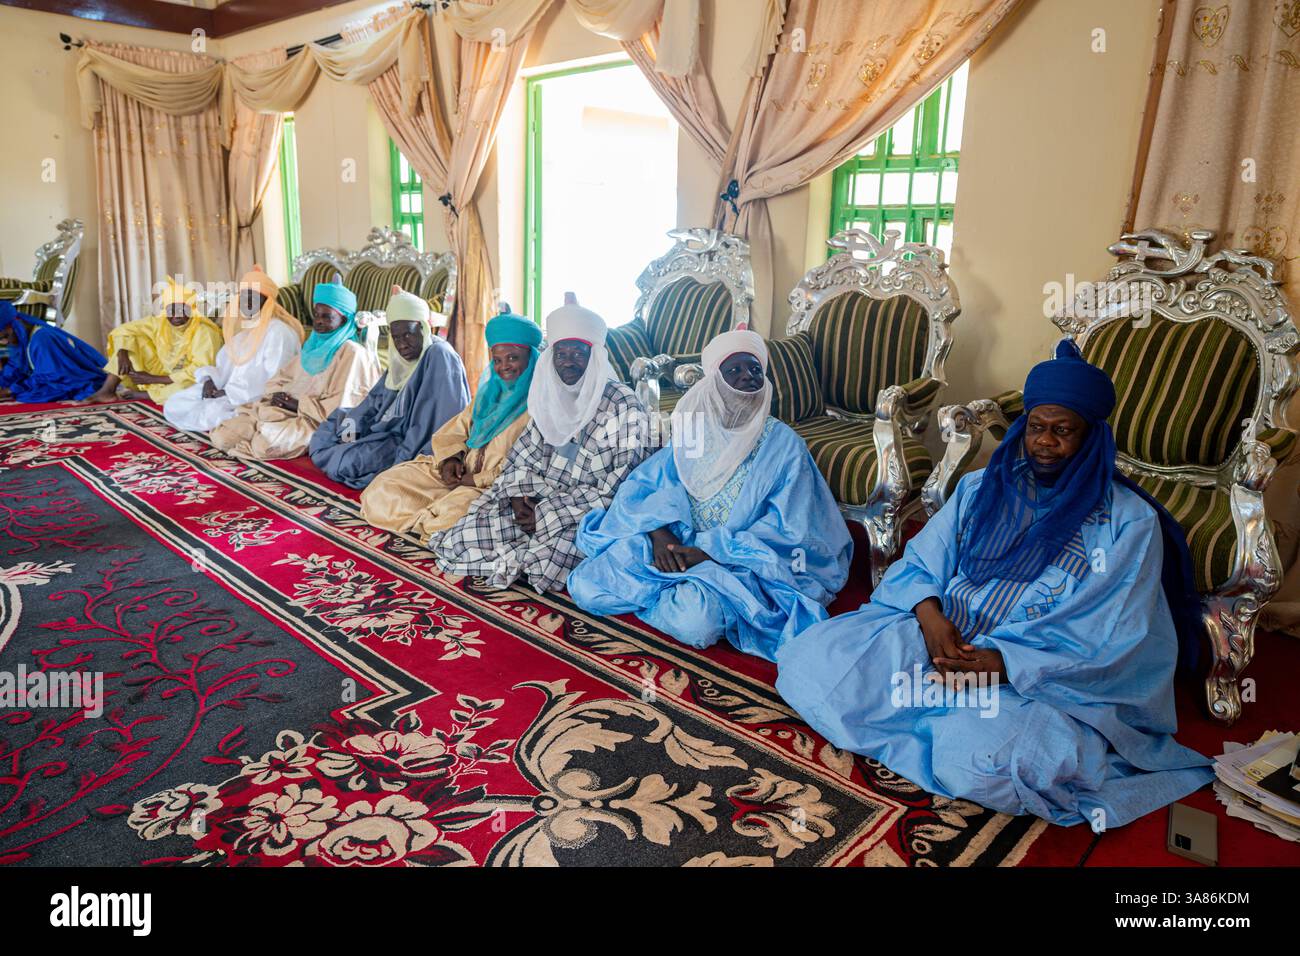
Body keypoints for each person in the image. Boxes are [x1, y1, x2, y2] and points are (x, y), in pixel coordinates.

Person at [775, 340, 1214, 828]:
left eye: (1063, 431)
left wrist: (1002, 664)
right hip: (941, 637)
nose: (1046, 442)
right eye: (1037, 428)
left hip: (1038, 679)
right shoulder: (981, 486)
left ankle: (936, 721)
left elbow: (1112, 636)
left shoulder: (1127, 523)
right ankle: (932, 714)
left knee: (993, 767)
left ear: (1091, 437)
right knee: (809, 664)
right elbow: (922, 560)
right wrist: (930, 618)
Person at [567, 328, 852, 661]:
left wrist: (707, 553)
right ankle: (672, 586)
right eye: (735, 371)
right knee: (586, 585)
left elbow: (794, 531)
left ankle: (672, 590)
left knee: (696, 624)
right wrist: (660, 537)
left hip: (735, 562)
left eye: (755, 370)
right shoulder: (695, 430)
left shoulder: (783, 444)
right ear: (715, 380)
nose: (748, 377)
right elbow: (647, 487)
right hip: (671, 543)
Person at [432, 294, 647, 593]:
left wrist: (545, 512)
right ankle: (517, 552)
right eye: (562, 353)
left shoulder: (622, 404)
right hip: (532, 503)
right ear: (552, 356)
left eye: (578, 353)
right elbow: (521, 458)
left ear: (594, 356)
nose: (568, 362)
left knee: (546, 564)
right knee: (460, 538)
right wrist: (520, 499)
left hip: (585, 514)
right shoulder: (549, 395)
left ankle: (520, 558)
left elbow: (620, 485)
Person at [360, 309, 541, 536]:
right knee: (382, 487)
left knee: (450, 517)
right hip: (457, 475)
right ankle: (430, 519)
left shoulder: (538, 406)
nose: (504, 366)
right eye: (497, 360)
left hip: (490, 487)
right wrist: (451, 459)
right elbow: (455, 430)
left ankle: (433, 519)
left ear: (531, 358)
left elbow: (526, 466)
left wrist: (475, 479)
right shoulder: (489, 395)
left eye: (513, 358)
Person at [310, 286, 470, 489]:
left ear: (423, 328)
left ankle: (369, 463)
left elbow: (434, 425)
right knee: (330, 427)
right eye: (396, 337)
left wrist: (399, 465)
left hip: (405, 442)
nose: (402, 344)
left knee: (347, 463)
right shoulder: (401, 360)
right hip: (382, 431)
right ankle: (349, 449)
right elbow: (373, 402)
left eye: (408, 334)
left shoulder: (439, 355)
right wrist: (350, 433)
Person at [209, 275, 379, 460]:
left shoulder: (352, 353)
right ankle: (259, 433)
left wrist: (298, 404)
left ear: (345, 320)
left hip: (313, 421)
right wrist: (277, 396)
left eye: (327, 317)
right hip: (281, 411)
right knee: (222, 435)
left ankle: (258, 440)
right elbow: (280, 378)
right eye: (316, 315)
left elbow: (345, 406)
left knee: (263, 445)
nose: (319, 321)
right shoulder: (313, 344)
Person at [163, 266, 304, 433]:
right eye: (243, 298)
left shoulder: (279, 332)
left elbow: (275, 379)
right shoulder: (245, 332)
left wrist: (228, 393)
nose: (246, 304)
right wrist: (209, 381)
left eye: (253, 299)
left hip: (253, 396)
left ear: (267, 302)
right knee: (176, 401)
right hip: (228, 390)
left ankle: (244, 420)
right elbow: (223, 366)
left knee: (213, 413)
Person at [84, 275, 222, 404]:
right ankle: (107, 390)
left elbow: (201, 369)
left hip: (190, 378)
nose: (176, 315)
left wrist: (153, 379)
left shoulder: (204, 331)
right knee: (130, 343)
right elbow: (124, 330)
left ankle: (148, 395)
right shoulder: (160, 322)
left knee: (193, 386)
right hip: (164, 370)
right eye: (171, 310)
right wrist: (122, 353)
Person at [0, 300, 107, 403]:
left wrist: (11, 390)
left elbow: (53, 375)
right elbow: (15, 367)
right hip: (56, 376)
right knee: (25, 391)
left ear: (14, 325)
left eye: (5, 336)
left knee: (32, 395)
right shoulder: (19, 340)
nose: (4, 342)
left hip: (77, 377)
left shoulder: (41, 338)